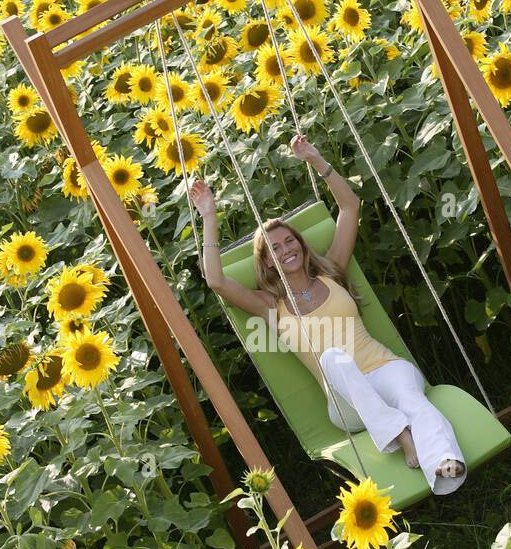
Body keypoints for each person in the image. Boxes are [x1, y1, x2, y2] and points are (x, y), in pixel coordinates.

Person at [189, 134, 467, 497]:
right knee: (334, 358)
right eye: (275, 248)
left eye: (290, 241)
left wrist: (316, 159)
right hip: (345, 403)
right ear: (267, 262)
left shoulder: (333, 271)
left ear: (301, 245)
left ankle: (445, 466)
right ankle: (401, 434)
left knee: (414, 399)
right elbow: (216, 280)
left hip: (385, 369)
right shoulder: (269, 304)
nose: (286, 249)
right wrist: (209, 214)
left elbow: (350, 207)